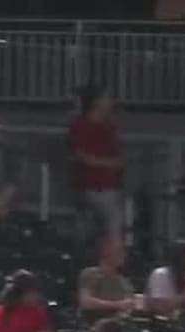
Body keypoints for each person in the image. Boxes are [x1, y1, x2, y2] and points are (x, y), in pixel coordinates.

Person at [68, 83, 123, 246]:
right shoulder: (81, 125)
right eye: (106, 98)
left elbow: (116, 154)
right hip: (89, 187)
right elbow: (79, 155)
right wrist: (107, 163)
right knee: (87, 233)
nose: (110, 102)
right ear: (96, 101)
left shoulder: (110, 127)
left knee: (111, 233)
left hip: (110, 187)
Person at [76, 233, 136, 318]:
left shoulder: (124, 281)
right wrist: (117, 305)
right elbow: (86, 302)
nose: (124, 254)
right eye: (120, 250)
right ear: (106, 250)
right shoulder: (91, 273)